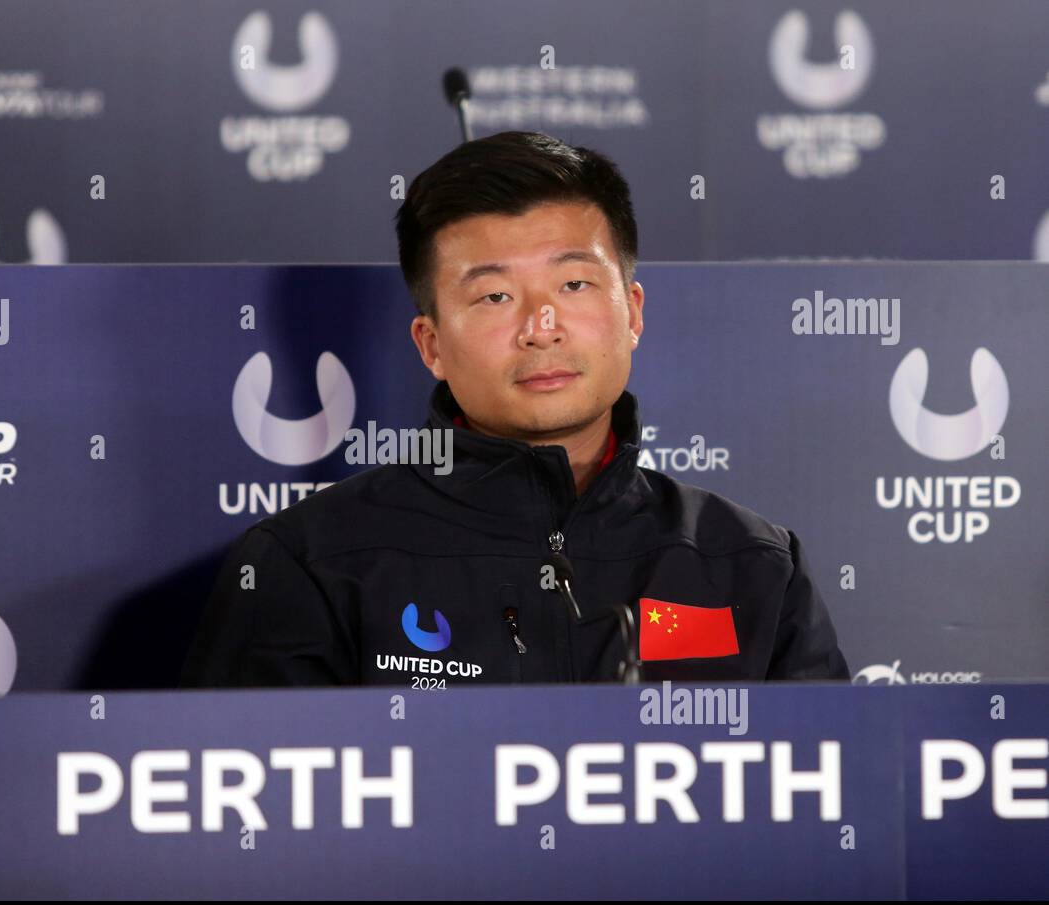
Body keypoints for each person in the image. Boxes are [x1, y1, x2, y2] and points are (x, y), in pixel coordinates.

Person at [182, 130, 849, 687]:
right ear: (432, 344)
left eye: (574, 283)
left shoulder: (753, 564)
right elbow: (253, 825)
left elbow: (832, 805)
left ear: (632, 312)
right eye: (496, 297)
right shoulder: (306, 564)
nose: (543, 325)